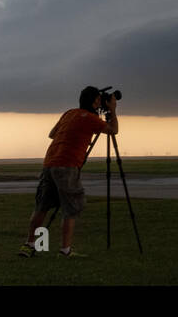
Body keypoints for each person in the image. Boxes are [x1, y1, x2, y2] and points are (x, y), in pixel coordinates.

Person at [18, 86, 118, 258]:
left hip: (50, 163)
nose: (101, 102)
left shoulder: (69, 113)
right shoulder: (91, 119)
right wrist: (113, 111)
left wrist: (75, 134)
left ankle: (29, 244)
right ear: (95, 101)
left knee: (42, 206)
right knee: (71, 207)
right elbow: (113, 130)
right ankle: (65, 250)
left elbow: (52, 134)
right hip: (67, 165)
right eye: (100, 100)